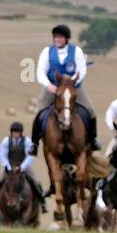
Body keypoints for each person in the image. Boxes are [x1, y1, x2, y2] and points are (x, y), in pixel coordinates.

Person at [29, 23, 99, 155]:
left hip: (73, 87)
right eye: (55, 37)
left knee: (91, 110)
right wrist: (48, 85)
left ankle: (93, 139)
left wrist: (73, 83)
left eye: (60, 37)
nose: (57, 39)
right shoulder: (47, 52)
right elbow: (40, 71)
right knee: (38, 111)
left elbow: (81, 70)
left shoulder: (76, 51)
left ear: (66, 39)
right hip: (54, 87)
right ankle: (34, 143)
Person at [0, 121, 46, 212]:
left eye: (17, 132)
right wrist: (8, 166)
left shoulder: (27, 141)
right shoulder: (6, 141)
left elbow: (30, 156)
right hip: (9, 167)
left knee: (36, 181)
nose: (15, 134)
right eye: (14, 132)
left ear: (21, 133)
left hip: (24, 167)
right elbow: (2, 155)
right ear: (11, 132)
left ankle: (43, 203)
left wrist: (21, 167)